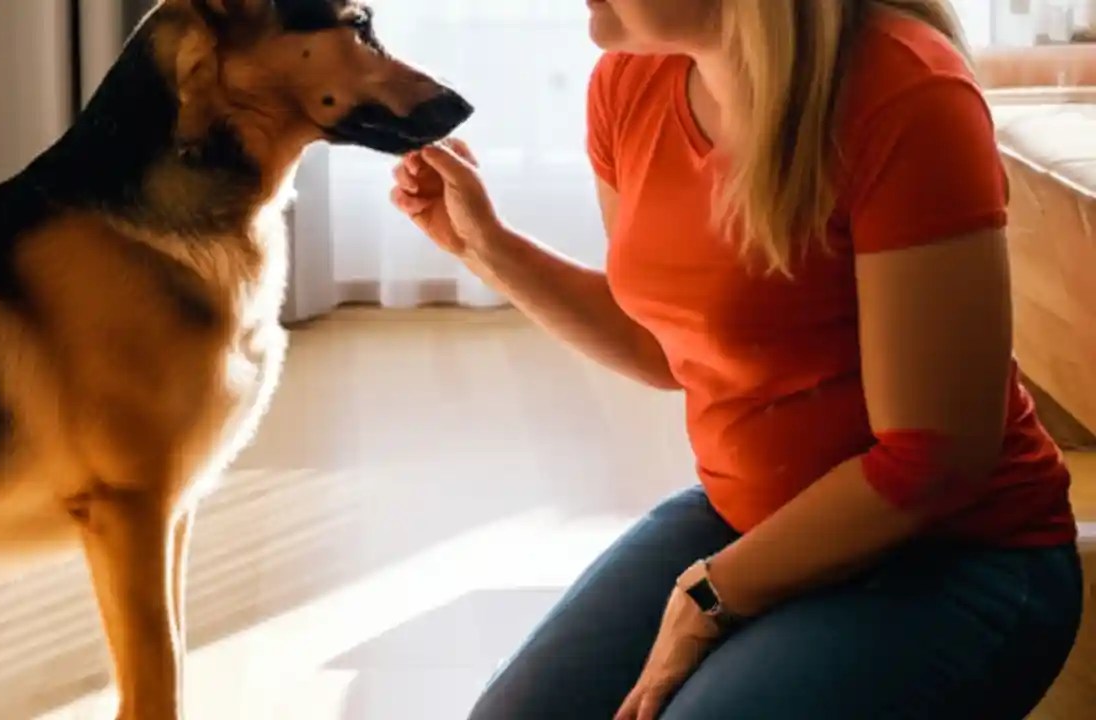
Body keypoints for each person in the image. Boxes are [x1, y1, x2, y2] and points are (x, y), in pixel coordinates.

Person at [388, 1, 1084, 718]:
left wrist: (711, 596)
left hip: (957, 553)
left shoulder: (906, 94)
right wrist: (486, 247)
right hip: (750, 520)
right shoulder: (630, 81)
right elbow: (660, 345)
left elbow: (932, 462)